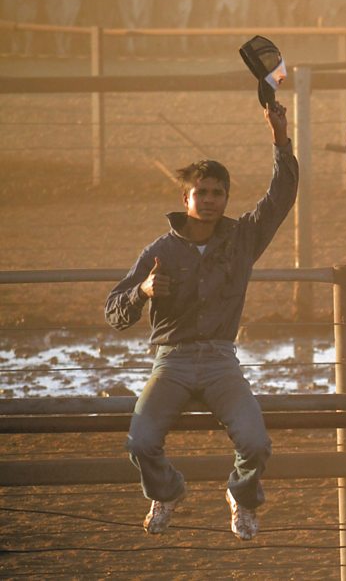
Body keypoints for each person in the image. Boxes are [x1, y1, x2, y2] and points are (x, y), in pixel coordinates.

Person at [104, 100, 298, 540]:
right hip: (170, 361)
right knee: (139, 442)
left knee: (255, 443)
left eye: (217, 193)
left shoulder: (242, 239)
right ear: (186, 198)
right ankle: (168, 490)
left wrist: (280, 136)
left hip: (220, 361)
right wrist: (143, 292)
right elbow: (114, 312)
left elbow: (282, 195)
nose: (209, 200)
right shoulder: (161, 250)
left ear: (226, 198)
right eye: (201, 192)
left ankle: (241, 497)